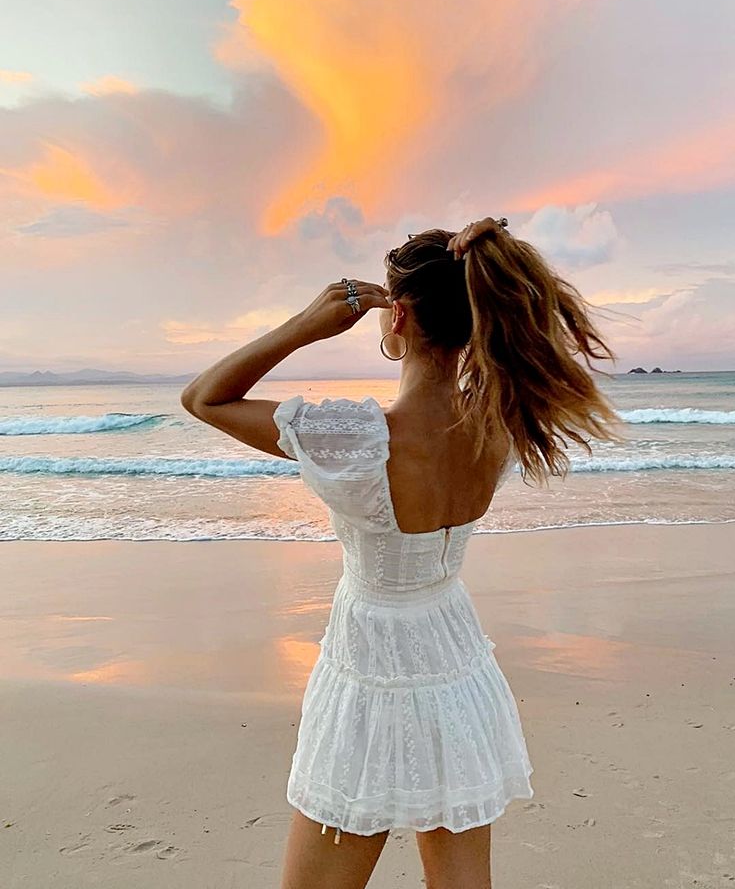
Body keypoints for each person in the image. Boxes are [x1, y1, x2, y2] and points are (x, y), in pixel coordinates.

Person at [180, 216, 623, 889]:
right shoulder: (500, 423)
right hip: (455, 661)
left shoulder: (358, 437)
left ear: (399, 316)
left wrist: (306, 324)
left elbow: (203, 397)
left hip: (371, 665)